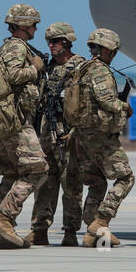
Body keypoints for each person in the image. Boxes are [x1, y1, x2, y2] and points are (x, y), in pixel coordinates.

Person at [0, 4, 49, 249]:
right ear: (22, 25)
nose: (35, 28)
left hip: (5, 119)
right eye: (33, 24)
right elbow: (13, 76)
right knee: (38, 170)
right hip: (16, 122)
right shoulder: (15, 47)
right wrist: (35, 69)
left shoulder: (5, 47)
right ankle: (4, 219)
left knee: (12, 175)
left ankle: (7, 235)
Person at [76, 29, 136, 248]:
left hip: (83, 136)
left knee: (97, 182)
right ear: (107, 50)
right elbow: (107, 101)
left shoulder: (82, 68)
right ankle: (101, 221)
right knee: (126, 178)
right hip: (100, 137)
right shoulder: (100, 70)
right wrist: (126, 107)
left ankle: (93, 235)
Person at [29, 21, 86, 246]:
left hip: (69, 136)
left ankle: (70, 231)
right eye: (49, 42)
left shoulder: (81, 67)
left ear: (67, 42)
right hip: (47, 135)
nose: (51, 46)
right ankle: (39, 229)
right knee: (44, 182)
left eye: (56, 42)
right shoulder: (47, 69)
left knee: (71, 184)